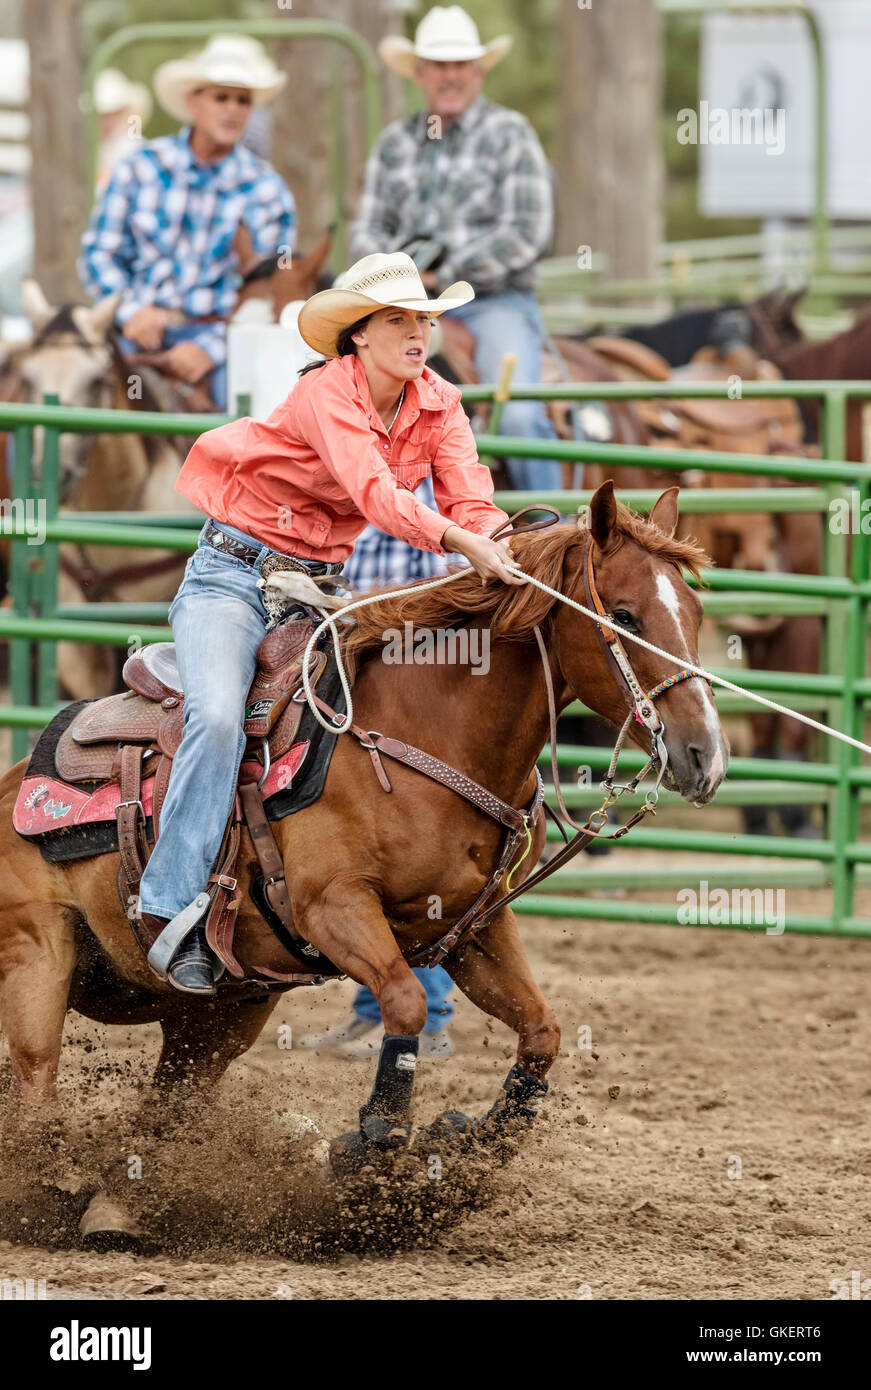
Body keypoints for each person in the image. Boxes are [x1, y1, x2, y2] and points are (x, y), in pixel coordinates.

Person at [132, 251, 522, 996]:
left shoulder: (439, 402)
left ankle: (328, 890)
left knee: (378, 722)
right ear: (359, 336)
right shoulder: (325, 393)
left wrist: (498, 541)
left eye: (424, 320)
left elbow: (472, 496)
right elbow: (374, 493)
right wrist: (457, 540)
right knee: (216, 715)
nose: (417, 334)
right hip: (232, 576)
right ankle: (168, 907)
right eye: (399, 320)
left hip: (314, 590)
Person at [350, 4, 559, 494]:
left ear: (479, 71)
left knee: (521, 419)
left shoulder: (510, 134)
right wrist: (396, 278)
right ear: (420, 73)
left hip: (490, 303)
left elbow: (527, 233)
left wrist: (445, 277)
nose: (451, 76)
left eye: (461, 65)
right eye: (440, 66)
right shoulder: (394, 144)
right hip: (398, 305)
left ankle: (553, 536)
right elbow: (367, 228)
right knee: (339, 400)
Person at [298, 475, 462, 1061]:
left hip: (408, 686)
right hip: (366, 669)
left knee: (413, 866)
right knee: (376, 856)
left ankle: (428, 1014)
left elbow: (432, 596)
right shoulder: (374, 493)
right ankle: (378, 1009)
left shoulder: (428, 503)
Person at [78, 35, 296, 409]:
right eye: (221, 97)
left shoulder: (267, 190)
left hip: (224, 344)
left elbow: (269, 293)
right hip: (133, 334)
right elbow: (99, 253)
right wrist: (132, 311)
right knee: (60, 403)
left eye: (243, 100)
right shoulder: (140, 167)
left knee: (259, 422)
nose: (233, 109)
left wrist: (209, 349)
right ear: (193, 102)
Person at [92, 69, 153, 195]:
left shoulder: (135, 148)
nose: (108, 120)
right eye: (103, 115)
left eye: (114, 113)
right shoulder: (89, 147)